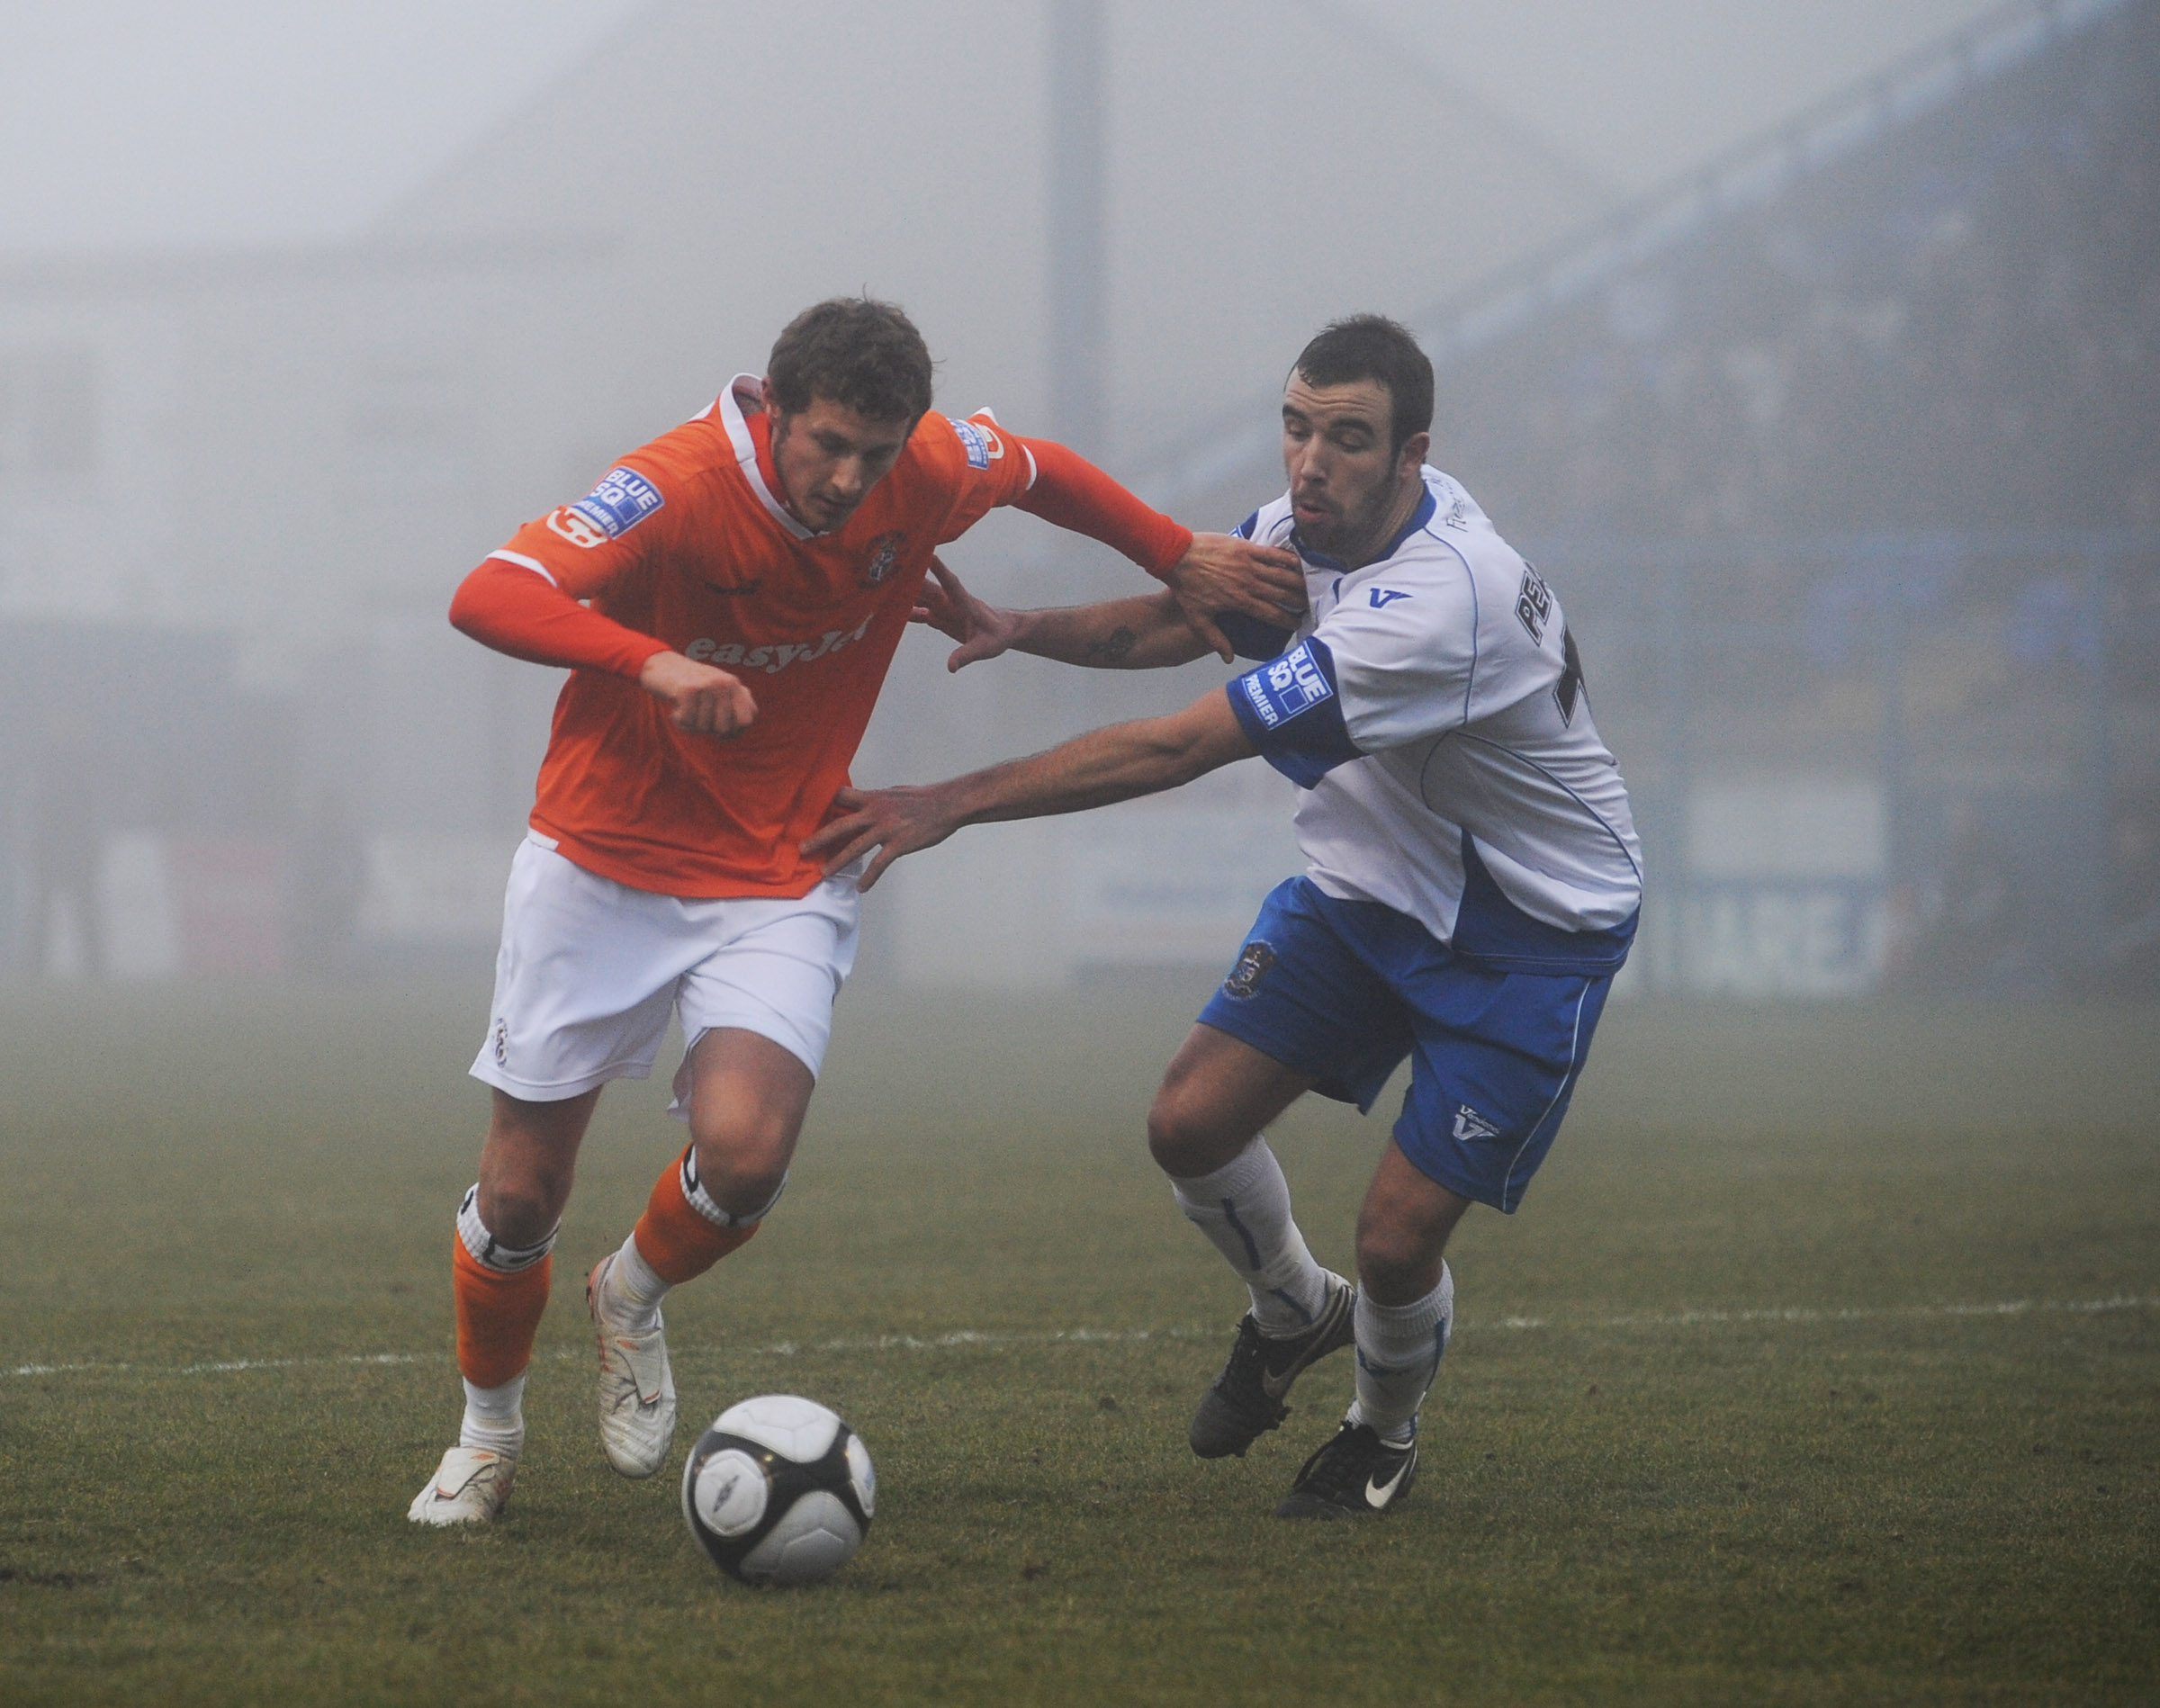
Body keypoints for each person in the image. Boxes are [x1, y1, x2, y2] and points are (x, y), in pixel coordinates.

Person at [409, 296, 1302, 1524]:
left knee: (746, 1159)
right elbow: (490, 592)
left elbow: (1042, 468)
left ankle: (628, 1290)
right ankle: (487, 1433)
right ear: (773, 411)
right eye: (827, 443)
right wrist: (651, 660)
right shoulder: (670, 484)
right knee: (517, 1198)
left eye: (876, 454)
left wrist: (1173, 550)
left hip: (783, 863)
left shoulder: (923, 466)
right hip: (601, 862)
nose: (849, 477)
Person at [807, 314, 1642, 1520]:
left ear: (1414, 455)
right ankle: (1297, 1309)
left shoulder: (1440, 599)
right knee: (1189, 1122)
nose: (1310, 462)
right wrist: (1019, 628)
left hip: (1530, 928)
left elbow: (1178, 745)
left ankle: (1380, 1432)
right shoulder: (1309, 524)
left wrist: (948, 801)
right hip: (1370, 885)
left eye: (1347, 440)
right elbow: (1193, 615)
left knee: (1399, 1240)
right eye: (1298, 428)